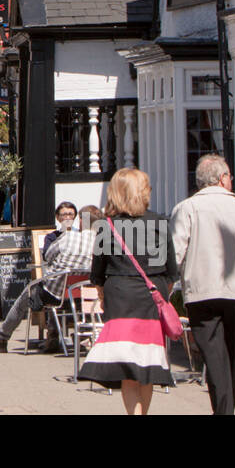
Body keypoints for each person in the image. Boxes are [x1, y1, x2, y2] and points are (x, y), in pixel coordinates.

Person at [170, 154, 235, 415]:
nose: (232, 180)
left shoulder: (186, 208)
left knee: (214, 357)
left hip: (202, 292)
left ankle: (223, 410)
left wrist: (167, 290)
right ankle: (226, 408)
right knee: (233, 351)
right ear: (222, 178)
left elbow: (176, 253)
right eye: (229, 176)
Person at [77, 168, 178, 415]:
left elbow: (97, 272)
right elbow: (170, 270)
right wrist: (162, 294)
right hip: (150, 295)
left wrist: (101, 295)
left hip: (120, 294)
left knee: (126, 362)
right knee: (146, 361)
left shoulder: (106, 226)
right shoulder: (160, 224)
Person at [0, 205, 102, 353]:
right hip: (82, 296)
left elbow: (48, 256)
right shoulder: (99, 243)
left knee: (27, 296)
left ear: (81, 220)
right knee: (60, 292)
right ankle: (56, 336)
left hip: (54, 294)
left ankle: (1, 336)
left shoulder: (68, 237)